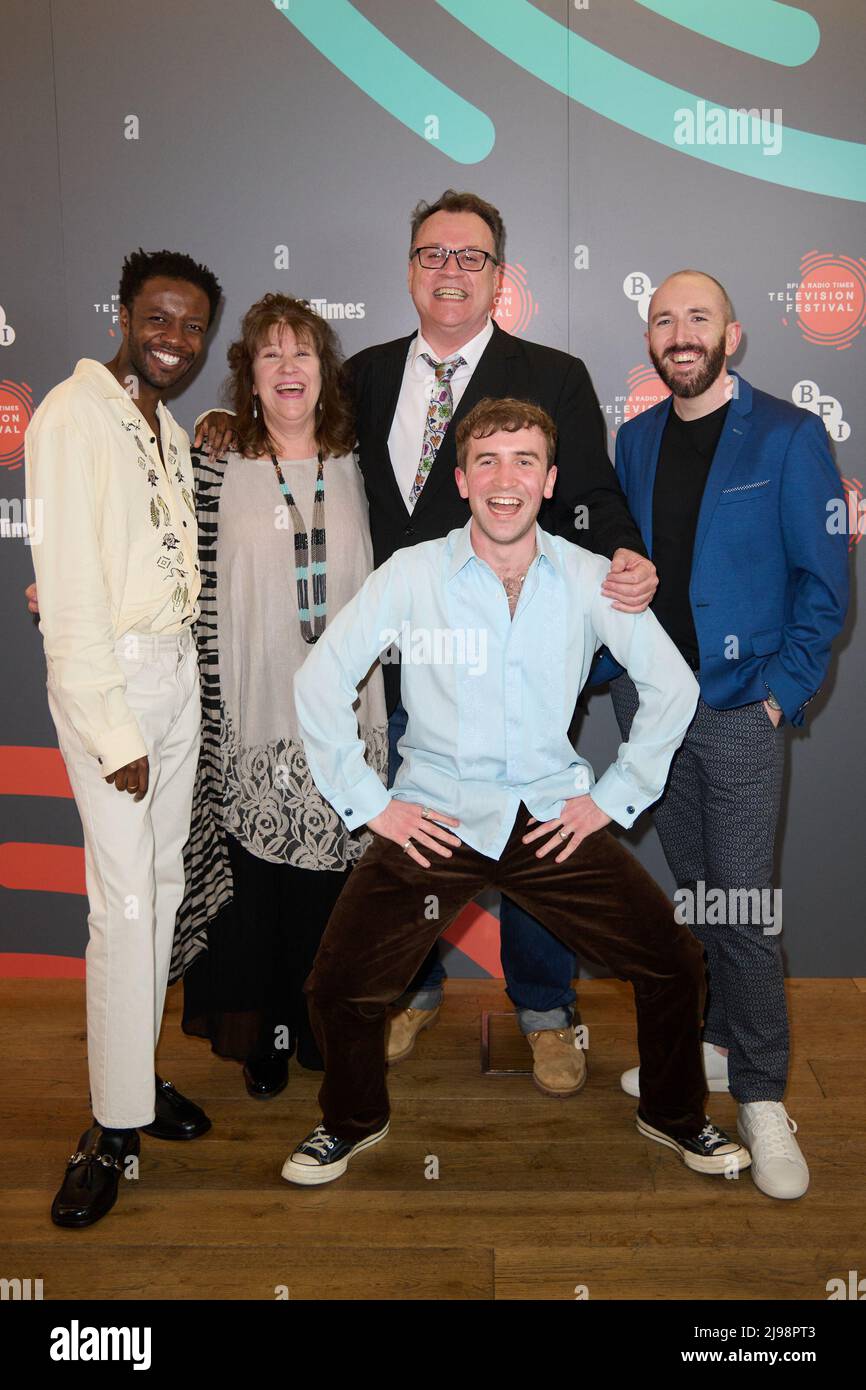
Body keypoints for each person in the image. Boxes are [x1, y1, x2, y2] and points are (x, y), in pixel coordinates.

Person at [199, 190, 658, 1098]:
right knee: (411, 835)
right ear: (410, 269)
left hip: (511, 644)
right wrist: (223, 430)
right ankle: (413, 987)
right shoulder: (362, 374)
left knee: (534, 827)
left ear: (499, 276)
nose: (450, 270)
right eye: (432, 254)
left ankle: (544, 1008)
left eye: (471, 257)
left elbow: (594, 498)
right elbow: (294, 439)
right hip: (387, 660)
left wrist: (628, 554)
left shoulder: (553, 372)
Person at [280, 394, 752, 1187]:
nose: (507, 480)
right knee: (338, 984)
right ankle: (352, 1120)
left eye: (525, 461)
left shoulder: (589, 577)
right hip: (434, 815)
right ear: (461, 479)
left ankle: (675, 1114)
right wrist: (372, 805)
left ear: (550, 478)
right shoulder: (413, 573)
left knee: (674, 962)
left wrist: (609, 800)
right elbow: (320, 677)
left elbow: (671, 687)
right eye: (488, 462)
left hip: (548, 818)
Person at [604, 270, 849, 1200]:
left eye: (697, 318)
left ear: (733, 336)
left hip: (746, 709)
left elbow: (823, 586)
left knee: (743, 910)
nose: (680, 333)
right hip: (656, 713)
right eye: (664, 320)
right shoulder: (634, 438)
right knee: (701, 893)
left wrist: (784, 694)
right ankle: (712, 1046)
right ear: (652, 339)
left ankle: (761, 1094)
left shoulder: (788, 437)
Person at [25, 248, 222, 1228]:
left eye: (191, 328)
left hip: (174, 671)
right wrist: (108, 726)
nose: (174, 342)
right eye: (159, 320)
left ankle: (133, 1088)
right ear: (123, 313)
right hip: (112, 683)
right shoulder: (69, 416)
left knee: (165, 888)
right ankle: (107, 1129)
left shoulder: (169, 425)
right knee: (124, 905)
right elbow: (63, 591)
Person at [177, 295, 387, 1096]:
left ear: (324, 372)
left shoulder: (359, 460)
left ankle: (315, 1028)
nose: (289, 368)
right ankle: (261, 1033)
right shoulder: (216, 464)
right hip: (253, 713)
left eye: (303, 353)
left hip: (345, 713)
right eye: (271, 355)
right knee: (256, 887)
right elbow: (164, 558)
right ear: (249, 377)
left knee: (332, 887)